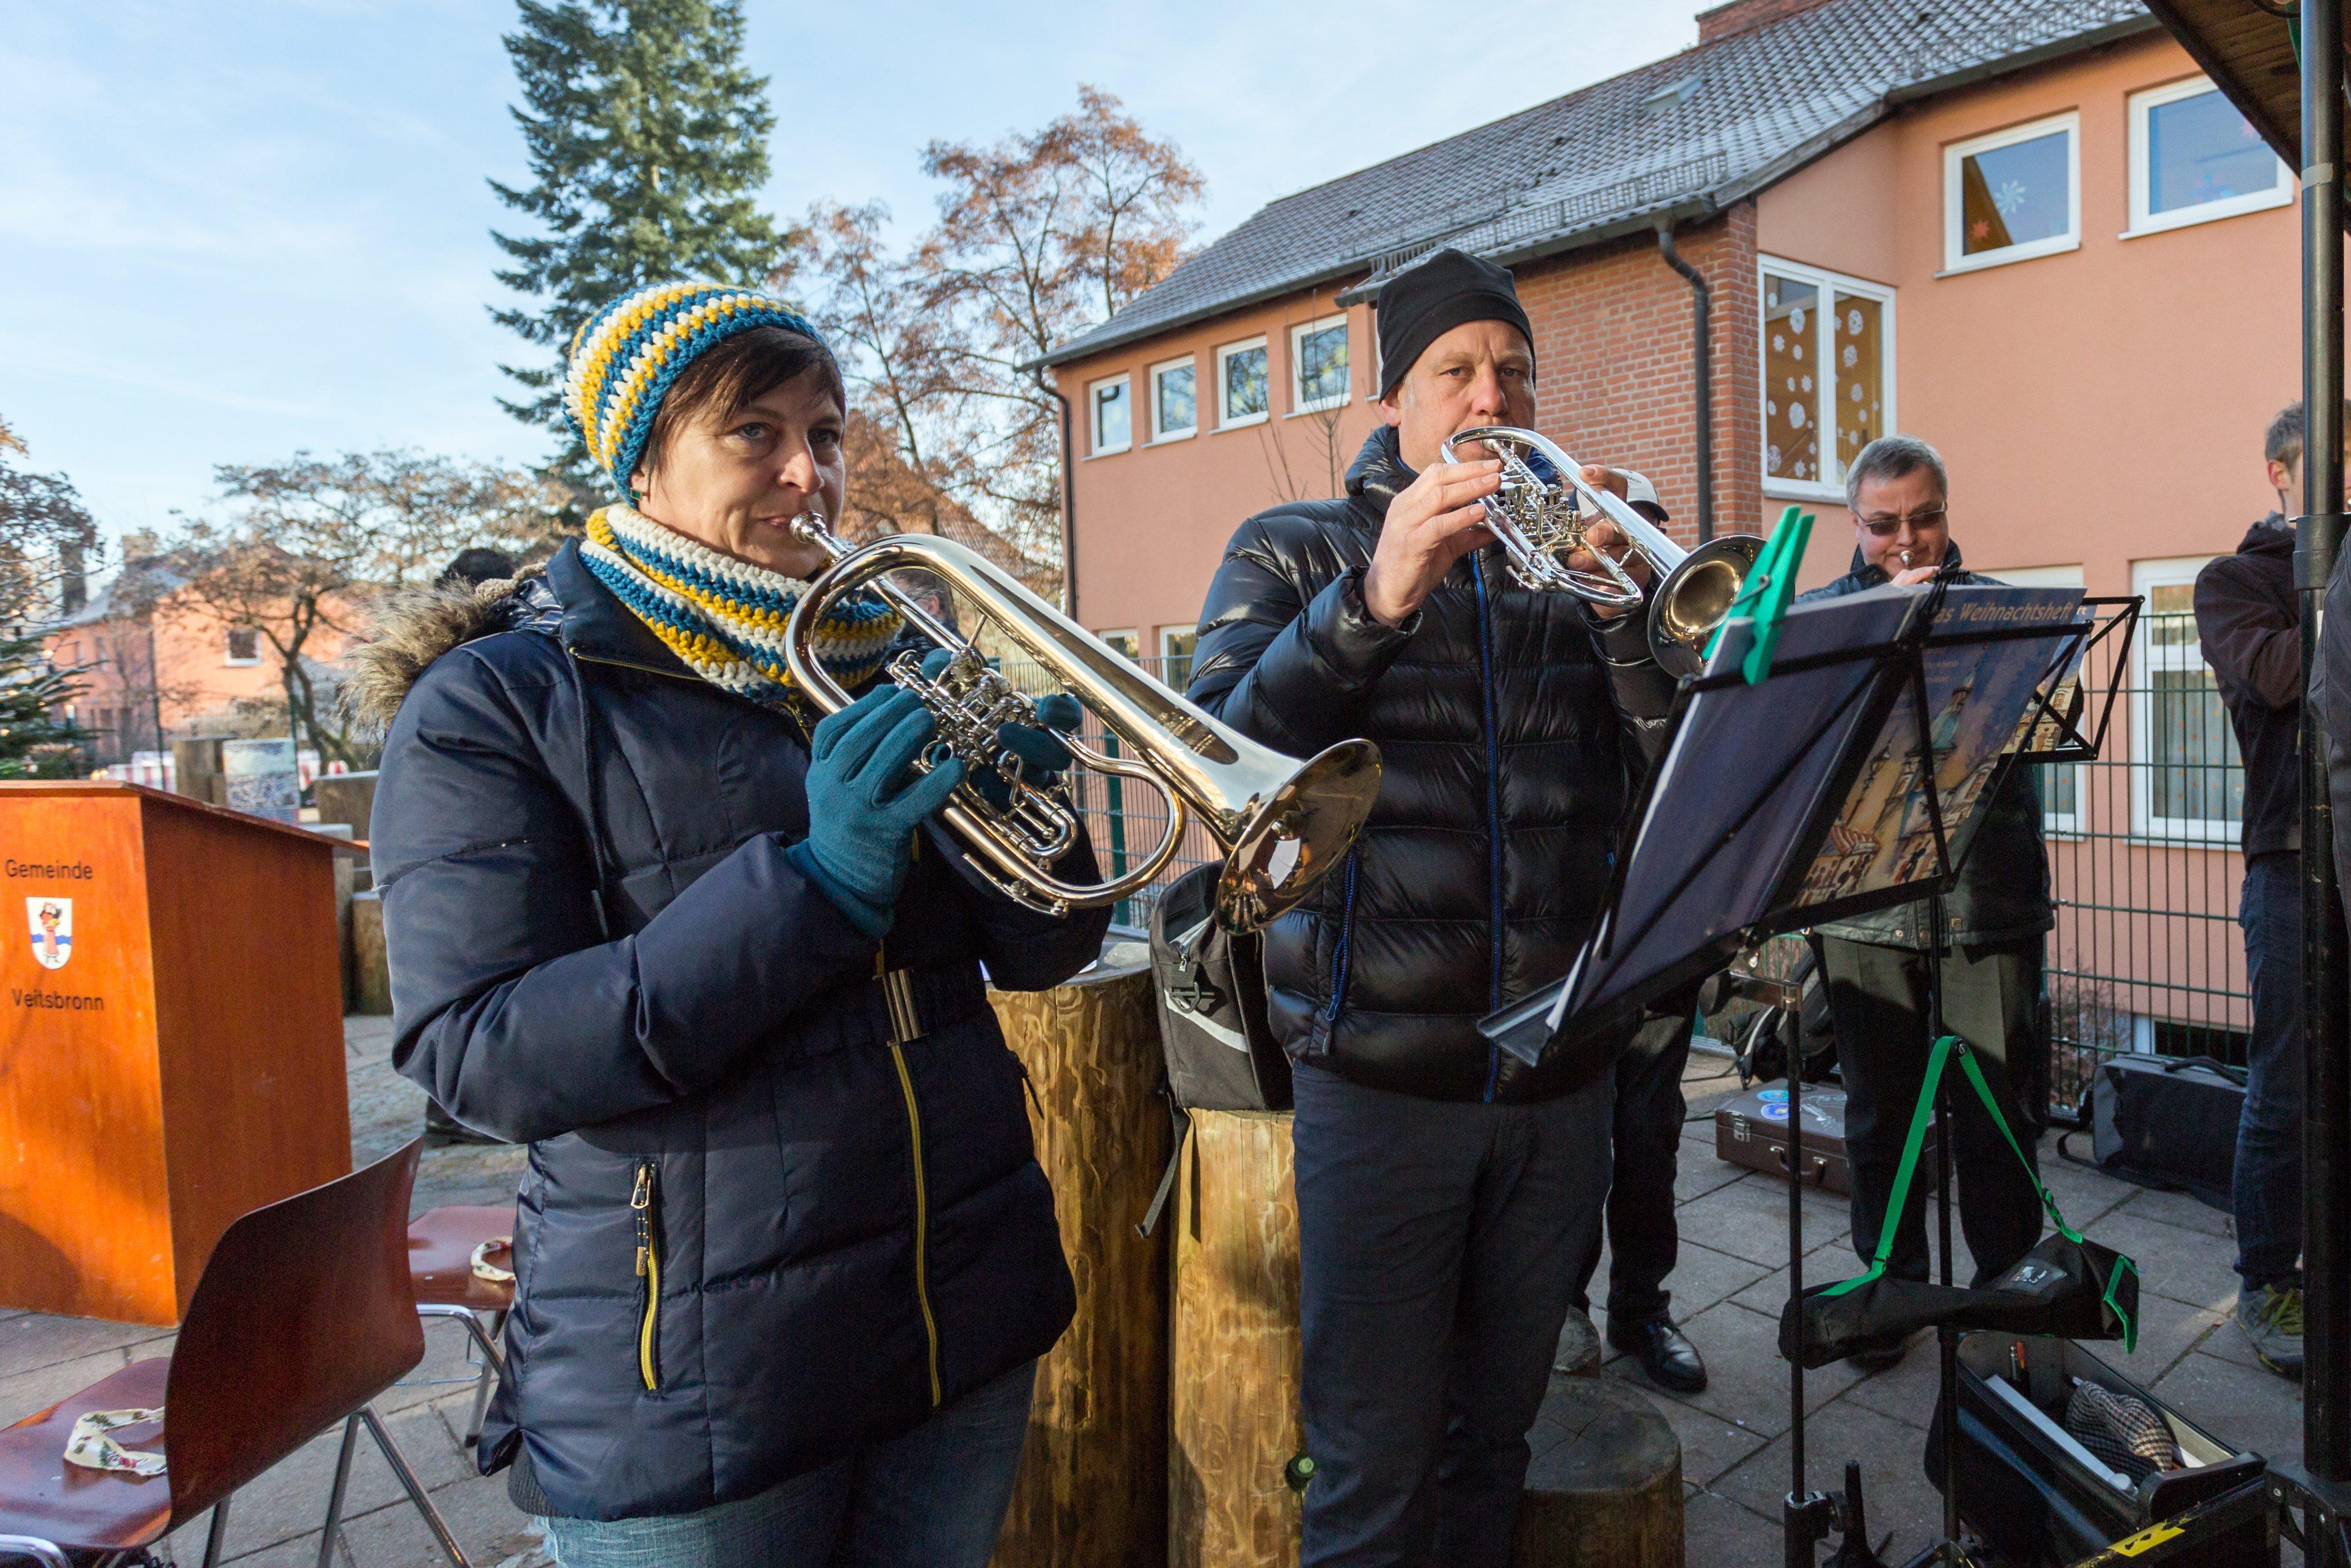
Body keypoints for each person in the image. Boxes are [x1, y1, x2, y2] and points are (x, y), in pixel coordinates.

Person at [359, 280, 1109, 1567]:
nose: (807, 472)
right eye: (753, 432)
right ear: (643, 460)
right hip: (692, 1381)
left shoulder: (895, 656)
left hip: (959, 1314)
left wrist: (1026, 820)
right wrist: (814, 887)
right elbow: (482, 1052)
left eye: (824, 432)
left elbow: (1048, 951)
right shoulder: (500, 699)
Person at [1186, 248, 1684, 1565]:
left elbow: (1672, 780)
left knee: (1494, 1444)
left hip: (1559, 1078)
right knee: (1368, 1468)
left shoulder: (1569, 561)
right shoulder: (1291, 546)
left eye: (1513, 370)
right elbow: (1221, 763)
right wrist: (1372, 601)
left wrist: (1632, 623)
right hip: (1380, 1082)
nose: (1489, 396)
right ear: (1394, 397)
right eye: (1454, 369)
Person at [1799, 434, 2053, 1373]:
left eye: (1925, 518)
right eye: (1884, 524)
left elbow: (2038, 742)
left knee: (1999, 1113)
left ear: (1947, 511)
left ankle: (2007, 1290)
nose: (1907, 540)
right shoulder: (1820, 624)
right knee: (1881, 1117)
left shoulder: (2005, 616)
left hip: (1987, 900)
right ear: (1853, 522)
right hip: (1863, 906)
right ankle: (1891, 1285)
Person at [2195, 401, 2336, 1378]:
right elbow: (2282, 675)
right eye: (2331, 458)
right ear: (2279, 474)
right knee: (2285, 1083)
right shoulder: (2235, 581)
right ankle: (2266, 1278)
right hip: (2291, 860)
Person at [416, 545, 524, 1150]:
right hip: (476, 841)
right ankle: (456, 1112)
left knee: (461, 979)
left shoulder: (429, 670)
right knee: (481, 978)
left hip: (445, 852)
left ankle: (449, 1112)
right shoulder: (480, 672)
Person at [1575, 1000, 1708, 1394]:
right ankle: (1562, 1321)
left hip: (1664, 979)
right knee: (1574, 1148)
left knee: (1650, 1140)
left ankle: (1639, 1310)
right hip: (1568, 978)